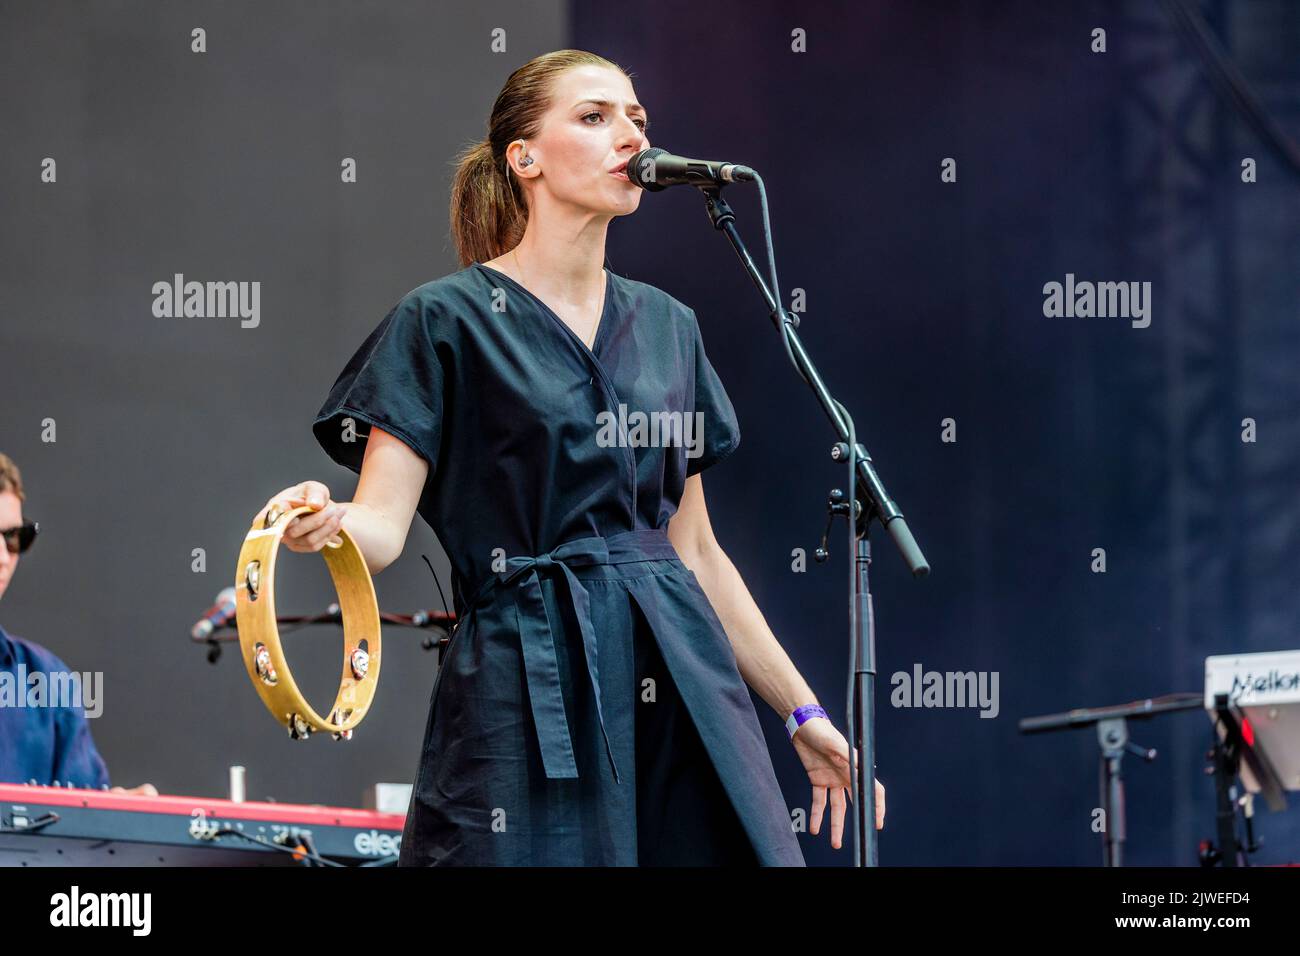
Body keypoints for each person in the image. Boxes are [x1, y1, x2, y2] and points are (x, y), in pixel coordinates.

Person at [262, 49, 884, 865]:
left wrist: (803, 713)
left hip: (676, 664)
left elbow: (696, 553)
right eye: (594, 117)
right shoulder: (443, 321)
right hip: (526, 675)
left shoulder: (668, 327)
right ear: (524, 158)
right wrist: (326, 522)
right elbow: (380, 528)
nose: (630, 136)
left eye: (637, 119)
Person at [0, 453, 157, 796]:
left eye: (13, 537)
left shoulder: (47, 679)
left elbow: (81, 816)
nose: (2, 557)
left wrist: (114, 816)